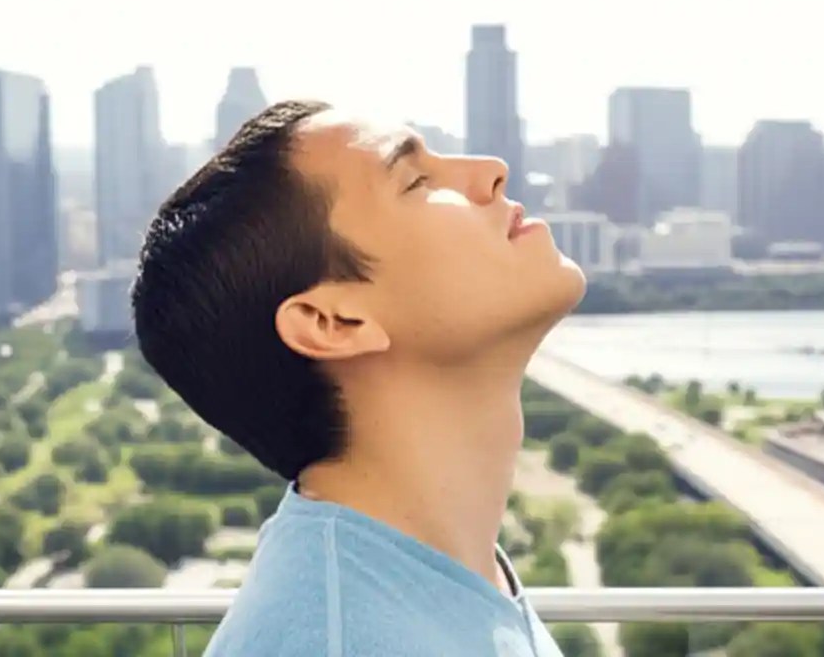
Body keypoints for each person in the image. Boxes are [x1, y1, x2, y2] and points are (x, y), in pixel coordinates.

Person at [131, 100, 584, 656]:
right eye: (416, 180)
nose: (491, 170)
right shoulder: (338, 640)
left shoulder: (449, 578)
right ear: (334, 322)